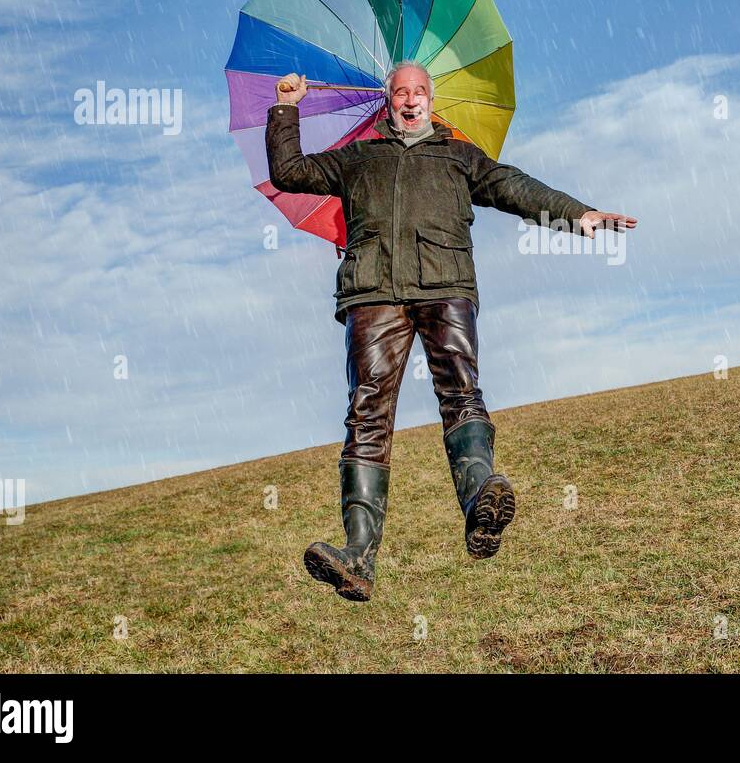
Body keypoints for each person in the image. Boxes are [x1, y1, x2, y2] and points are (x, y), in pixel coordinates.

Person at [266, 62, 637, 601]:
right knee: (366, 415)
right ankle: (358, 559)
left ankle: (480, 504)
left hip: (446, 286)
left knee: (462, 394)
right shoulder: (357, 158)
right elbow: (290, 173)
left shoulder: (459, 155)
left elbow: (514, 187)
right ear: (386, 101)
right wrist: (286, 106)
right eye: (400, 92)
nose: (410, 100)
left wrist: (576, 215)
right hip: (373, 294)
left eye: (419, 91)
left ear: (431, 100)